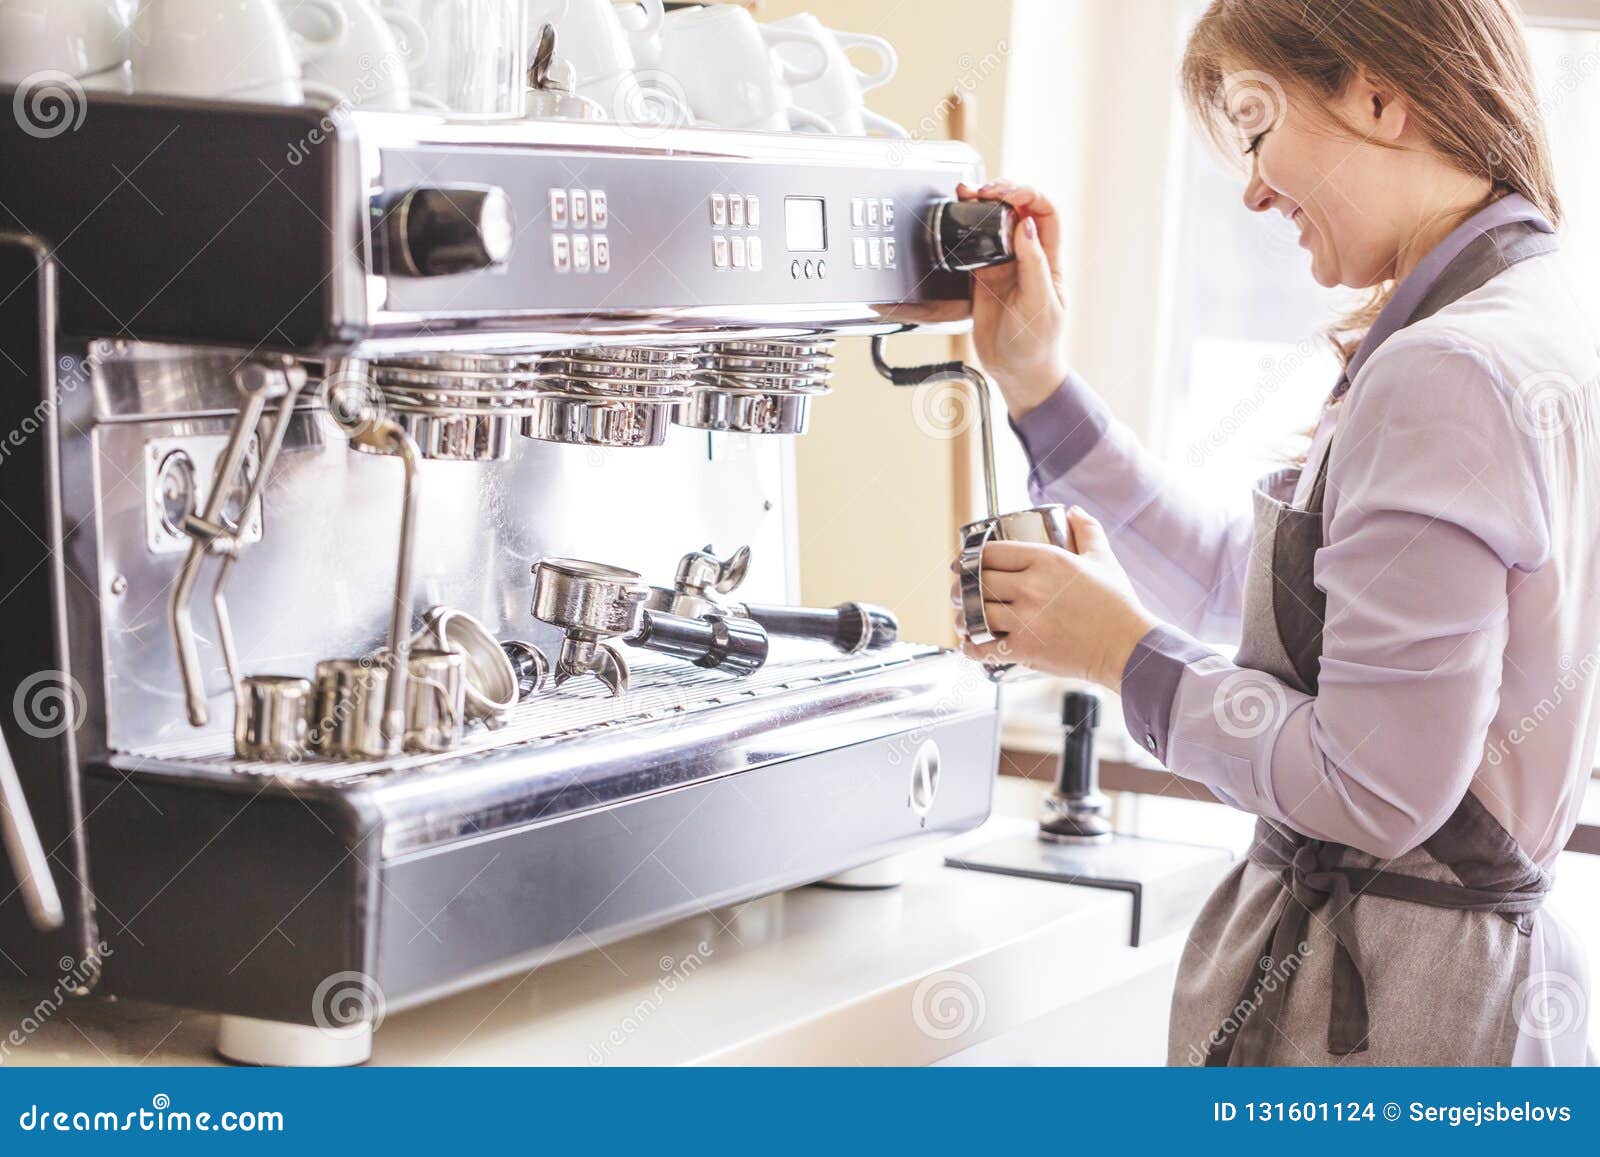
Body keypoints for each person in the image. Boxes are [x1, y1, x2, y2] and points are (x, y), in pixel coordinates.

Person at [956, 0, 1597, 1065]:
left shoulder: (1445, 371)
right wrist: (1038, 385)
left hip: (1399, 1013)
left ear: (1380, 97)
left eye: (1256, 130)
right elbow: (1266, 598)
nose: (1251, 187)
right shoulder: (1522, 313)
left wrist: (1119, 652)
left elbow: (1373, 785)